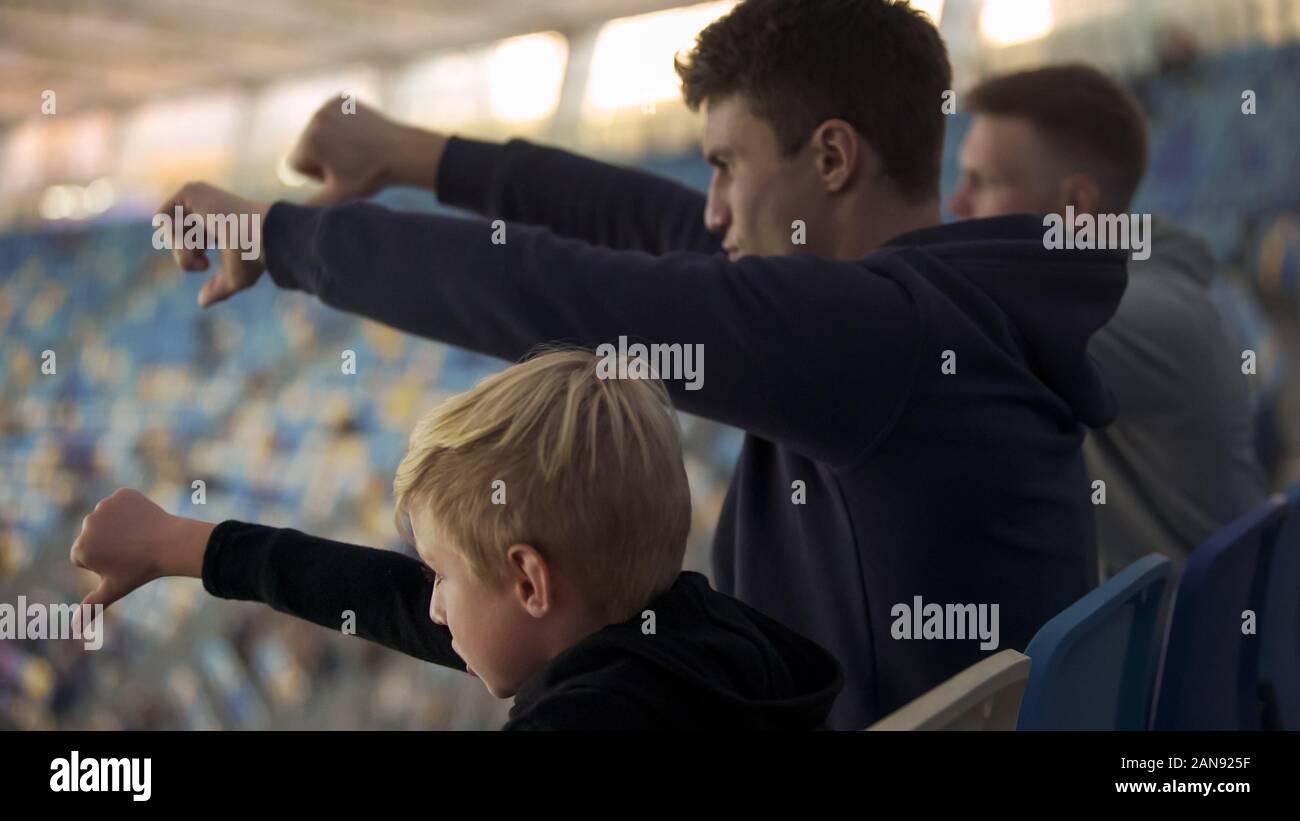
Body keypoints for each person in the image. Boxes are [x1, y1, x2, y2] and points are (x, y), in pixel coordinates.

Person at [135, 0, 1127, 729]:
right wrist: (416, 155)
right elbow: (646, 230)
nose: (708, 207)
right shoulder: (941, 312)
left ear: (831, 159)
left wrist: (277, 234)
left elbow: (567, 292)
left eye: (726, 165)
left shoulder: (877, 338)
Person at [71, 350, 844, 730]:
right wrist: (185, 544)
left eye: (440, 573)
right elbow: (388, 601)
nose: (432, 607)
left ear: (531, 581)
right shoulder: (686, 640)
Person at [949, 64, 1267, 576]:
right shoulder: (1139, 291)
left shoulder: (1147, 316)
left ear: (1075, 206)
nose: (956, 202)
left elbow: (949, 346)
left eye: (982, 181)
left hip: (1180, 650)